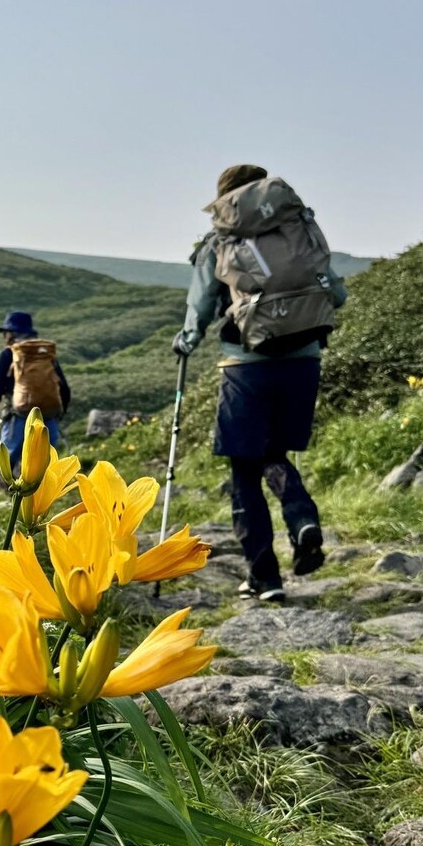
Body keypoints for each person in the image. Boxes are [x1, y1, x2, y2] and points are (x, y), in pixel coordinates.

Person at [173, 163, 346, 602]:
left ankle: (263, 576)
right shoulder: (298, 227)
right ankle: (303, 517)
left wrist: (187, 341)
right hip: (304, 360)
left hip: (245, 365)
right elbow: (335, 292)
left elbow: (201, 305)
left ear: (225, 200)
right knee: (274, 453)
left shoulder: (220, 241)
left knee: (243, 468)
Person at [0, 310, 71, 474]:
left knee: (7, 461)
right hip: (48, 415)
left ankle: (10, 494)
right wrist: (60, 412)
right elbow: (64, 388)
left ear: (11, 334)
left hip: (18, 414)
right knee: (44, 461)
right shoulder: (45, 355)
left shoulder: (8, 354)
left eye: (5, 333)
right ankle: (39, 496)